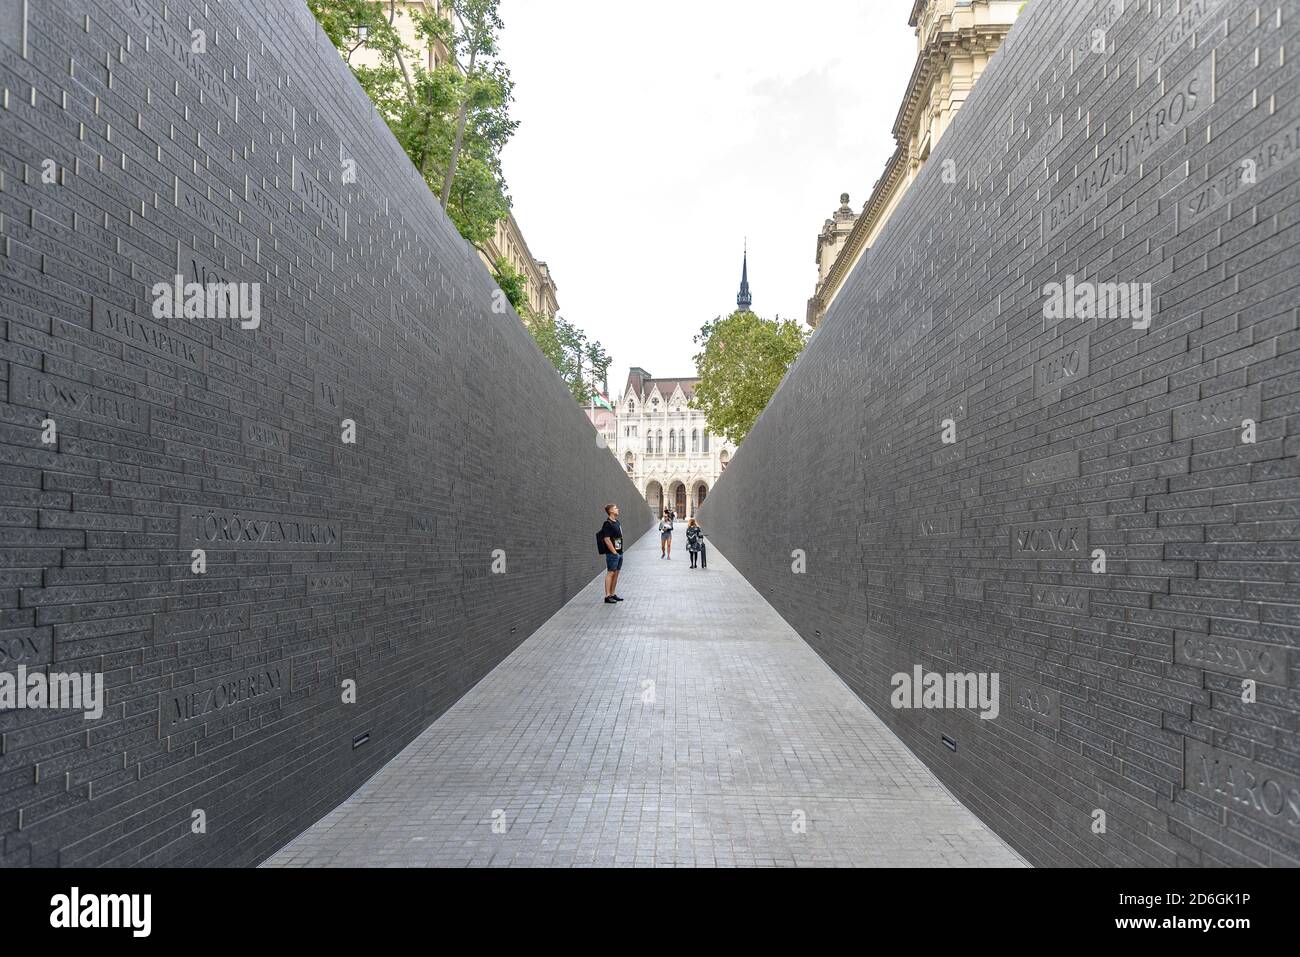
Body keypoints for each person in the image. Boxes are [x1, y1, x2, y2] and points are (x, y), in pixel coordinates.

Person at [598, 504, 624, 604]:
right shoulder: (607, 524)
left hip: (620, 552)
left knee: (616, 573)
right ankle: (607, 596)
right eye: (616, 508)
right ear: (610, 511)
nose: (618, 509)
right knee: (610, 573)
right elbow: (607, 539)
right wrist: (614, 553)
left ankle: (612, 594)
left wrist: (620, 552)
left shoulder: (617, 522)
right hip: (613, 553)